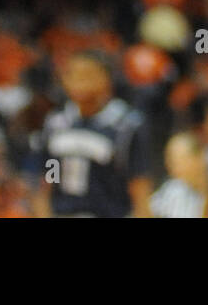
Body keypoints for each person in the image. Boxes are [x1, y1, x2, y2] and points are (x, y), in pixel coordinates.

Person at [33, 50, 153, 217]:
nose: (78, 81)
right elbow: (46, 185)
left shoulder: (126, 125)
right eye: (72, 74)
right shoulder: (55, 124)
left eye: (87, 75)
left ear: (107, 79)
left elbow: (140, 189)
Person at [148, 132, 208, 218]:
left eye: (179, 161)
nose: (172, 167)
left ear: (199, 157)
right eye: (171, 161)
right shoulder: (173, 190)